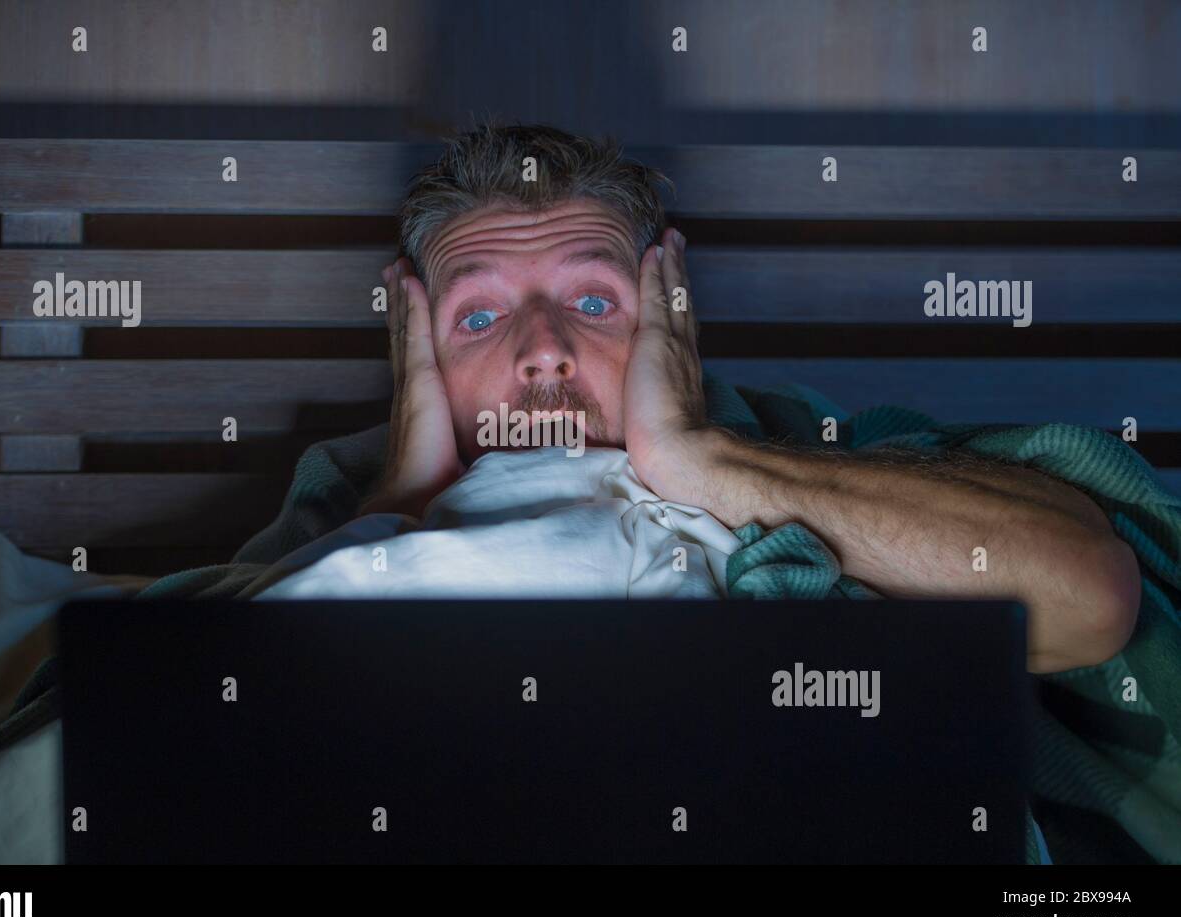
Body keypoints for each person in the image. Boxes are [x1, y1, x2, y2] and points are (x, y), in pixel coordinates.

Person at [355, 123, 1139, 675]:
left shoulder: (800, 453)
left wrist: (698, 459)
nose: (543, 350)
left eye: (593, 303)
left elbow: (1088, 595)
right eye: (480, 317)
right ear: (419, 358)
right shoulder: (344, 508)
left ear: (670, 325)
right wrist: (399, 505)